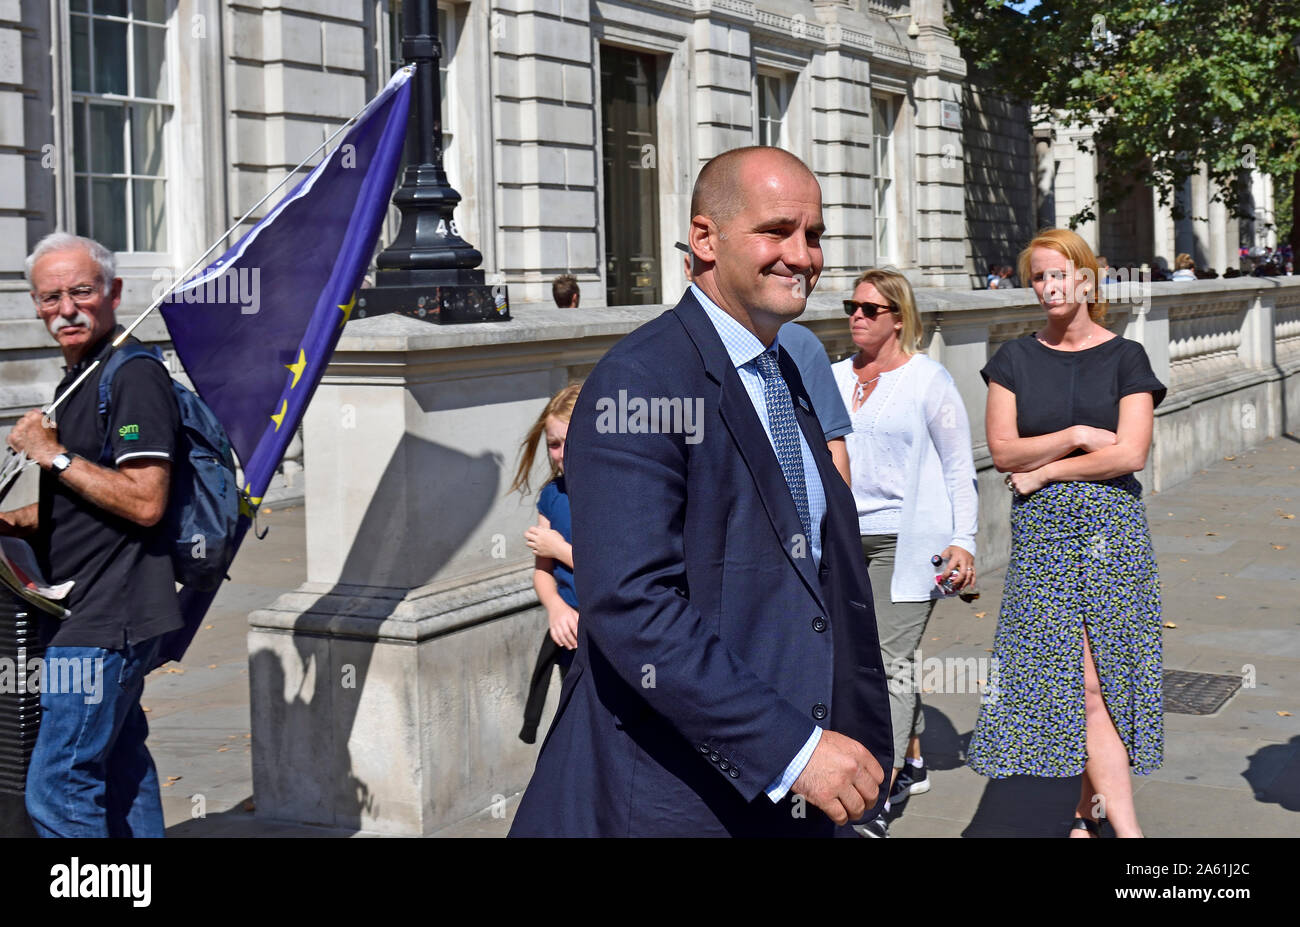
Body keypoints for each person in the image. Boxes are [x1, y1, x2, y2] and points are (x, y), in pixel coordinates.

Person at [509, 145, 892, 837]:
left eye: (815, 235)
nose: (804, 256)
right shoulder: (641, 381)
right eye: (777, 231)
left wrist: (843, 732)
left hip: (790, 788)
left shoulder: (783, 371)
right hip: (678, 796)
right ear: (705, 239)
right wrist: (795, 750)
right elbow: (632, 603)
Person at [967, 228, 1166, 838]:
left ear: (1086, 279)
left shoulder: (1127, 356)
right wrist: (1078, 433)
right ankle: (1097, 820)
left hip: (1112, 534)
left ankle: (1108, 824)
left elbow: (1130, 453)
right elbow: (1002, 451)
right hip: (1045, 538)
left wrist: (1047, 467)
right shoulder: (1014, 359)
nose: (1049, 287)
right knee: (1068, 679)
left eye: (1060, 274)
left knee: (1097, 678)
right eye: (1039, 276)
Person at [3, 232, 181, 837]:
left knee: (57, 788)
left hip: (107, 619)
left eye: (82, 291)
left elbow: (145, 501)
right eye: (50, 296)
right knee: (122, 771)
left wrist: (49, 455)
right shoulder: (78, 378)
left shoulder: (132, 375)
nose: (66, 308)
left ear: (114, 292)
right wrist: (12, 521)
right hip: (90, 610)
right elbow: (80, 508)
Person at [830, 268, 979, 837]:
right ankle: (913, 758)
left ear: (898, 317)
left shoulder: (928, 380)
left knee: (889, 663)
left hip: (908, 541)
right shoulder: (836, 377)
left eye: (870, 308)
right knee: (853, 657)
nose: (857, 316)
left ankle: (877, 796)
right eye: (853, 306)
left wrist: (963, 540)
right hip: (843, 539)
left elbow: (958, 465)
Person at [511, 383, 583, 744]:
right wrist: (555, 608)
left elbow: (614, 570)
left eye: (570, 441)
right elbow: (542, 573)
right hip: (570, 638)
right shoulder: (552, 497)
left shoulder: (617, 493)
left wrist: (558, 547)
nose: (560, 454)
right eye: (553, 444)